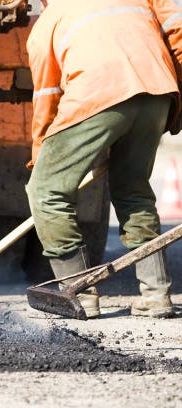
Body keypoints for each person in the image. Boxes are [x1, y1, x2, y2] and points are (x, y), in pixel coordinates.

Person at [26, 0, 182, 318]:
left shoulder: (48, 23)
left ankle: (78, 292)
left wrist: (42, 156)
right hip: (157, 94)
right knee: (133, 189)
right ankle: (156, 294)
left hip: (98, 95)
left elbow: (46, 98)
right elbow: (177, 34)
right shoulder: (134, 2)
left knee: (47, 191)